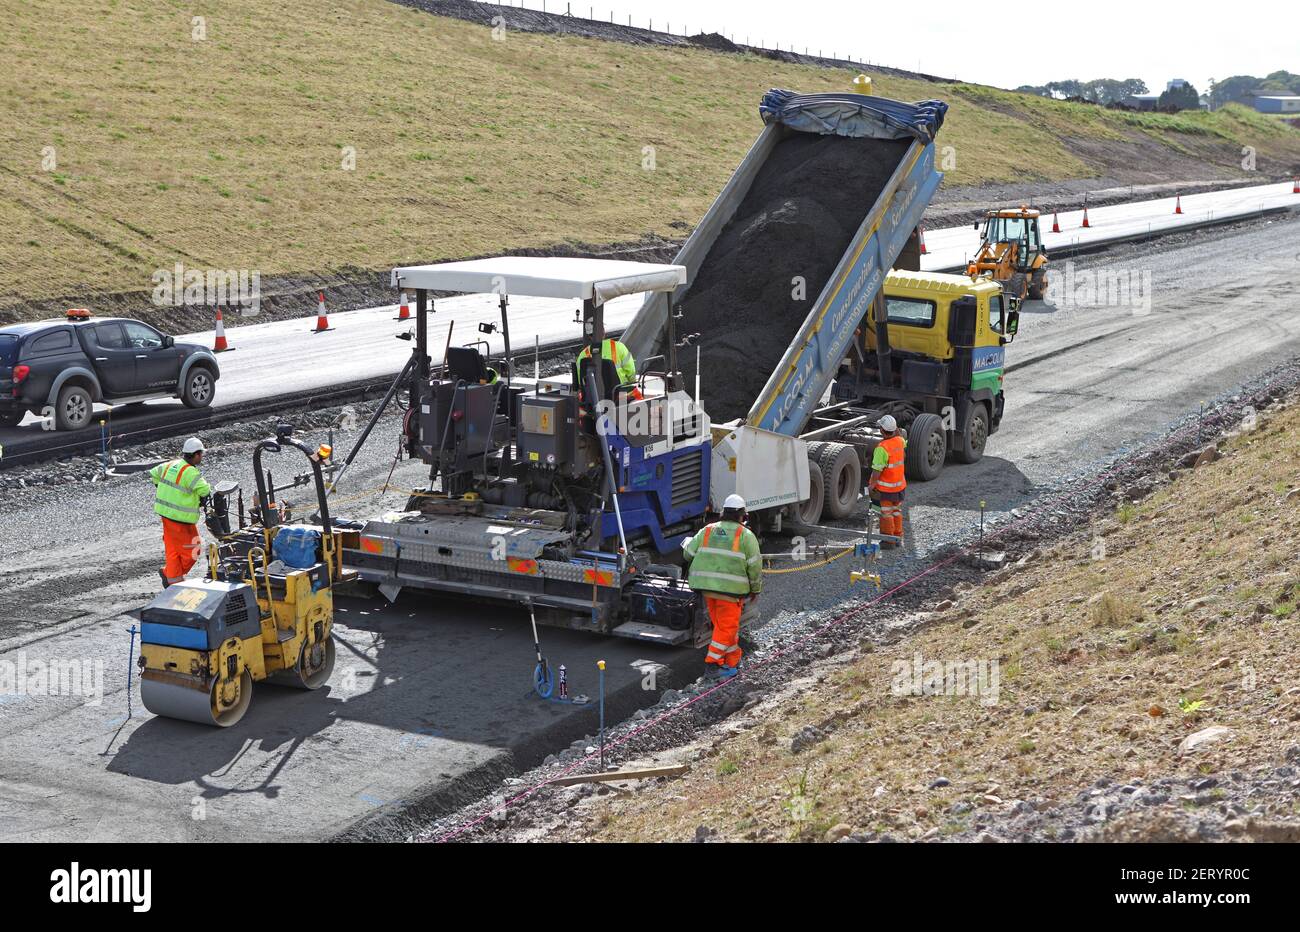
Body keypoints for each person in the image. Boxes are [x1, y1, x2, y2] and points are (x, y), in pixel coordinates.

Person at [682, 494, 762, 679]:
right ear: (743, 516)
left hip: (708, 590)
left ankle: (732, 660)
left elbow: (688, 554)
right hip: (730, 592)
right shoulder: (746, 536)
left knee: (722, 627)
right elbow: (755, 567)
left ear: (723, 513)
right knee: (727, 628)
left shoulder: (708, 530)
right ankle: (712, 664)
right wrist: (755, 589)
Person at [149, 437, 212, 588]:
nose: (201, 457)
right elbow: (205, 490)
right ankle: (171, 575)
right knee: (193, 550)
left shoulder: (170, 464)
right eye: (201, 454)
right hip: (180, 520)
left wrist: (160, 487)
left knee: (172, 550)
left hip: (166, 516)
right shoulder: (191, 473)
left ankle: (172, 580)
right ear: (196, 454)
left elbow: (153, 473)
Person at [867, 414, 907, 549]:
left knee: (886, 513)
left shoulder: (882, 448)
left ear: (881, 431)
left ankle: (888, 540)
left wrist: (872, 485)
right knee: (896, 511)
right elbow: (903, 439)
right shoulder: (900, 441)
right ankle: (897, 537)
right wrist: (897, 431)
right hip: (899, 487)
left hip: (886, 490)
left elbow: (877, 470)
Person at [573, 337, 639, 398]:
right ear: (603, 332)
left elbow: (580, 381)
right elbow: (631, 372)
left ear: (589, 337)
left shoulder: (583, 354)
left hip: (592, 398)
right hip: (620, 395)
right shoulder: (619, 347)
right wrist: (633, 383)